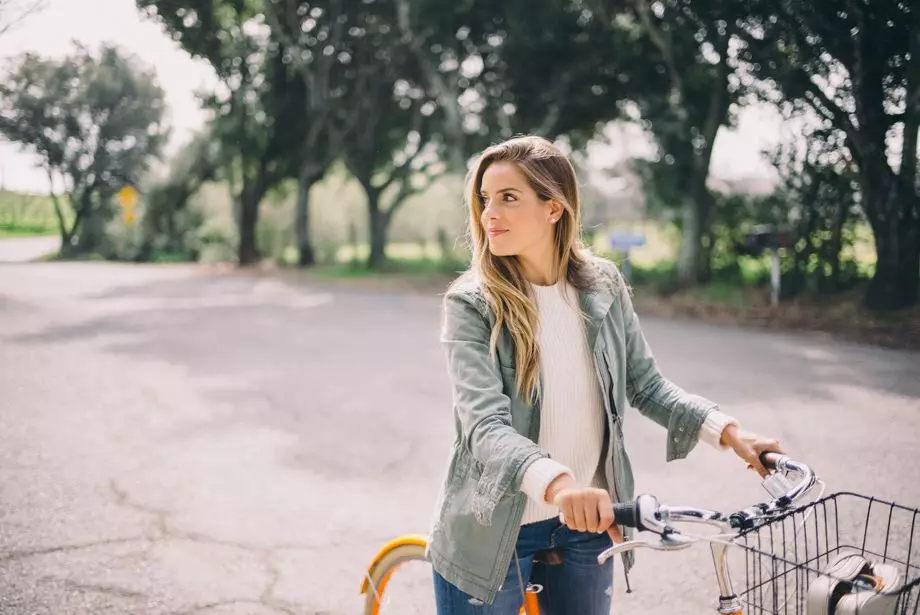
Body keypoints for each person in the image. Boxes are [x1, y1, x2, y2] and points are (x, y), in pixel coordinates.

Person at [426, 135, 784, 615]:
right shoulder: (472, 303)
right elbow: (485, 427)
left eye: (508, 198)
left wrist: (731, 432)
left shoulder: (603, 285)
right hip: (493, 531)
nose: (490, 213)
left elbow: (646, 384)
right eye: (485, 199)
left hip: (586, 524)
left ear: (554, 208)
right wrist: (561, 486)